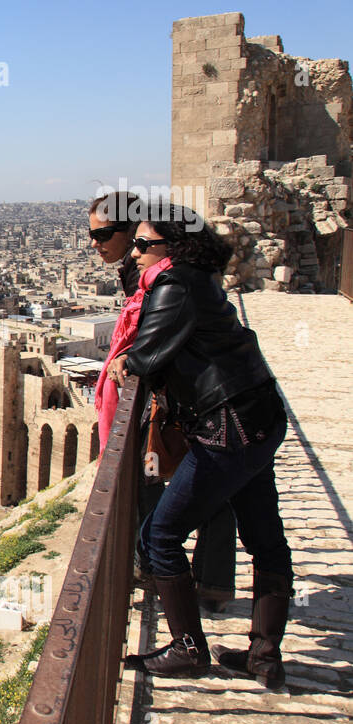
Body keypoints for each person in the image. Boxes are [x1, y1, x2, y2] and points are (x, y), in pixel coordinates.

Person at [111, 204, 291, 687]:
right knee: (266, 541)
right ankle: (265, 656)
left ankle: (189, 649)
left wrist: (124, 363)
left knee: (160, 535)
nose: (135, 253)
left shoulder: (174, 285)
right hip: (260, 416)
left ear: (173, 246)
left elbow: (146, 355)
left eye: (144, 245)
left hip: (226, 429)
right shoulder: (202, 278)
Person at [91, 192, 237, 613]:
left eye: (102, 233)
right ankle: (207, 584)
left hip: (203, 403)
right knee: (215, 491)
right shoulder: (155, 270)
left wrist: (132, 359)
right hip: (209, 402)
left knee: (161, 482)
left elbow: (157, 339)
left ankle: (167, 585)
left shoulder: (167, 277)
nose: (95, 243)